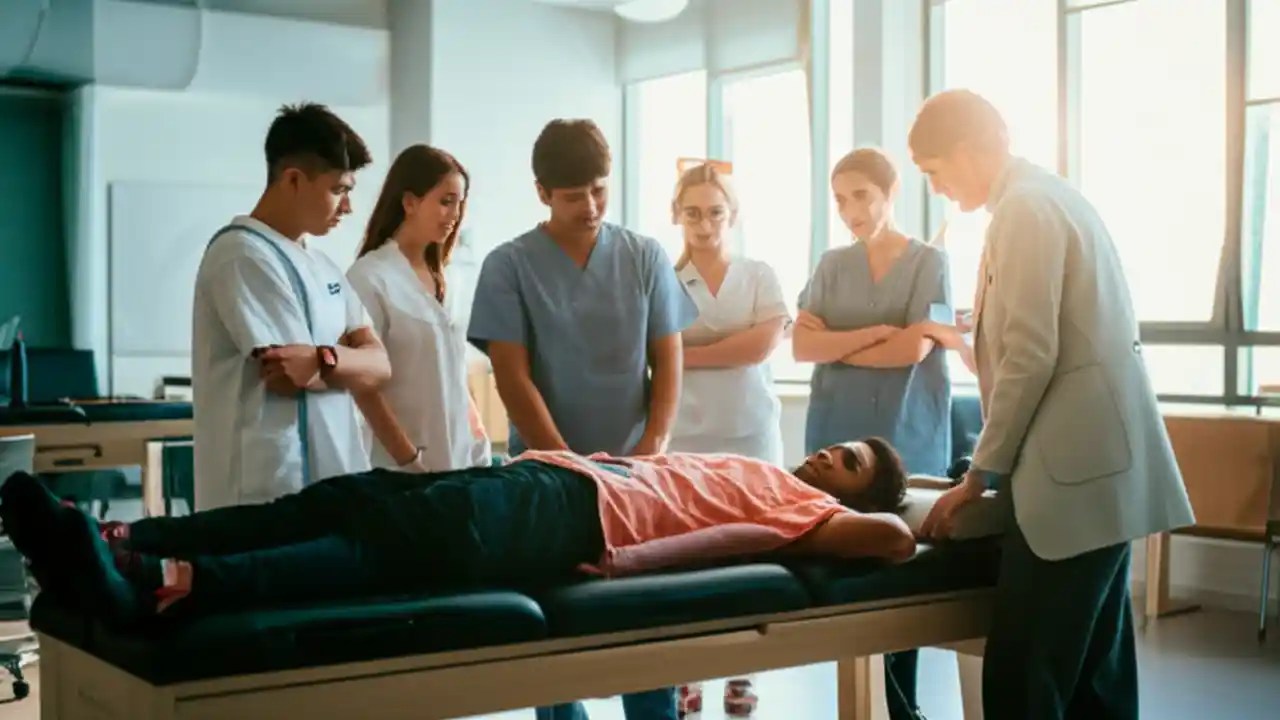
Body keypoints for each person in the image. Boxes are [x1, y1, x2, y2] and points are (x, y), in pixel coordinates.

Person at [909, 89, 1195, 720]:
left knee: (1024, 678)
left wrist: (980, 475)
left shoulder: (1025, 210)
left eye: (934, 172)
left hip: (1075, 485)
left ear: (967, 149)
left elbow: (1029, 356)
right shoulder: (1047, 199)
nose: (936, 188)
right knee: (1096, 677)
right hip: (1098, 478)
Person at [0, 438, 914, 627]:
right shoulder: (761, 465)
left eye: (851, 462)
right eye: (837, 448)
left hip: (565, 519)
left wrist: (940, 498)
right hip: (538, 475)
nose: (830, 456)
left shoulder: (814, 518)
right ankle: (125, 542)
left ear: (858, 493)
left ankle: (167, 586)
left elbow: (895, 545)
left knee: (373, 554)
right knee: (330, 501)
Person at [467, 118, 699, 720]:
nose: (591, 206)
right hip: (547, 475)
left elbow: (667, 361)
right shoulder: (509, 266)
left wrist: (650, 449)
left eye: (600, 189)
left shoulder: (644, 256)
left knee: (646, 630)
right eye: (574, 196)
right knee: (560, 638)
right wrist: (564, 462)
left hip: (635, 473)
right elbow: (512, 378)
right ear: (542, 192)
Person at [792, 147, 952, 720]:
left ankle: (902, 705)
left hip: (906, 431)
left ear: (890, 193)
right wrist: (878, 333)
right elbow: (802, 346)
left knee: (900, 568)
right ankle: (855, 706)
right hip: (836, 431)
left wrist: (842, 339)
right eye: (839, 199)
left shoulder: (931, 262)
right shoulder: (833, 265)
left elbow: (915, 349)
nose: (850, 210)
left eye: (861, 195)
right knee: (843, 565)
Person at [191, 103, 391, 510]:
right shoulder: (241, 253)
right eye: (339, 190)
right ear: (294, 179)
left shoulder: (323, 266)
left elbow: (380, 368)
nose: (348, 208)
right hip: (265, 489)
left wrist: (324, 361)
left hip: (331, 479)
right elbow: (285, 375)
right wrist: (348, 364)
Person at [663, 163, 787, 716]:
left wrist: (689, 353)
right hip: (687, 436)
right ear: (677, 216)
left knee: (750, 554)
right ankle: (690, 673)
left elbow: (760, 347)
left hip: (751, 433)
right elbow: (655, 357)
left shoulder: (759, 274)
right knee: (692, 562)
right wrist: (719, 347)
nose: (705, 223)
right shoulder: (665, 280)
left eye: (715, 212)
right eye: (693, 212)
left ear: (731, 214)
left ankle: (744, 674)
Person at [346, 144, 491, 473]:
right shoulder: (369, 277)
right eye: (445, 201)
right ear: (410, 202)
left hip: (459, 463)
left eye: (459, 203)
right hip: (398, 470)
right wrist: (407, 457)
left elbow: (454, 372)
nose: (455, 215)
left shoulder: (447, 278)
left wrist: (478, 442)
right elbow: (363, 386)